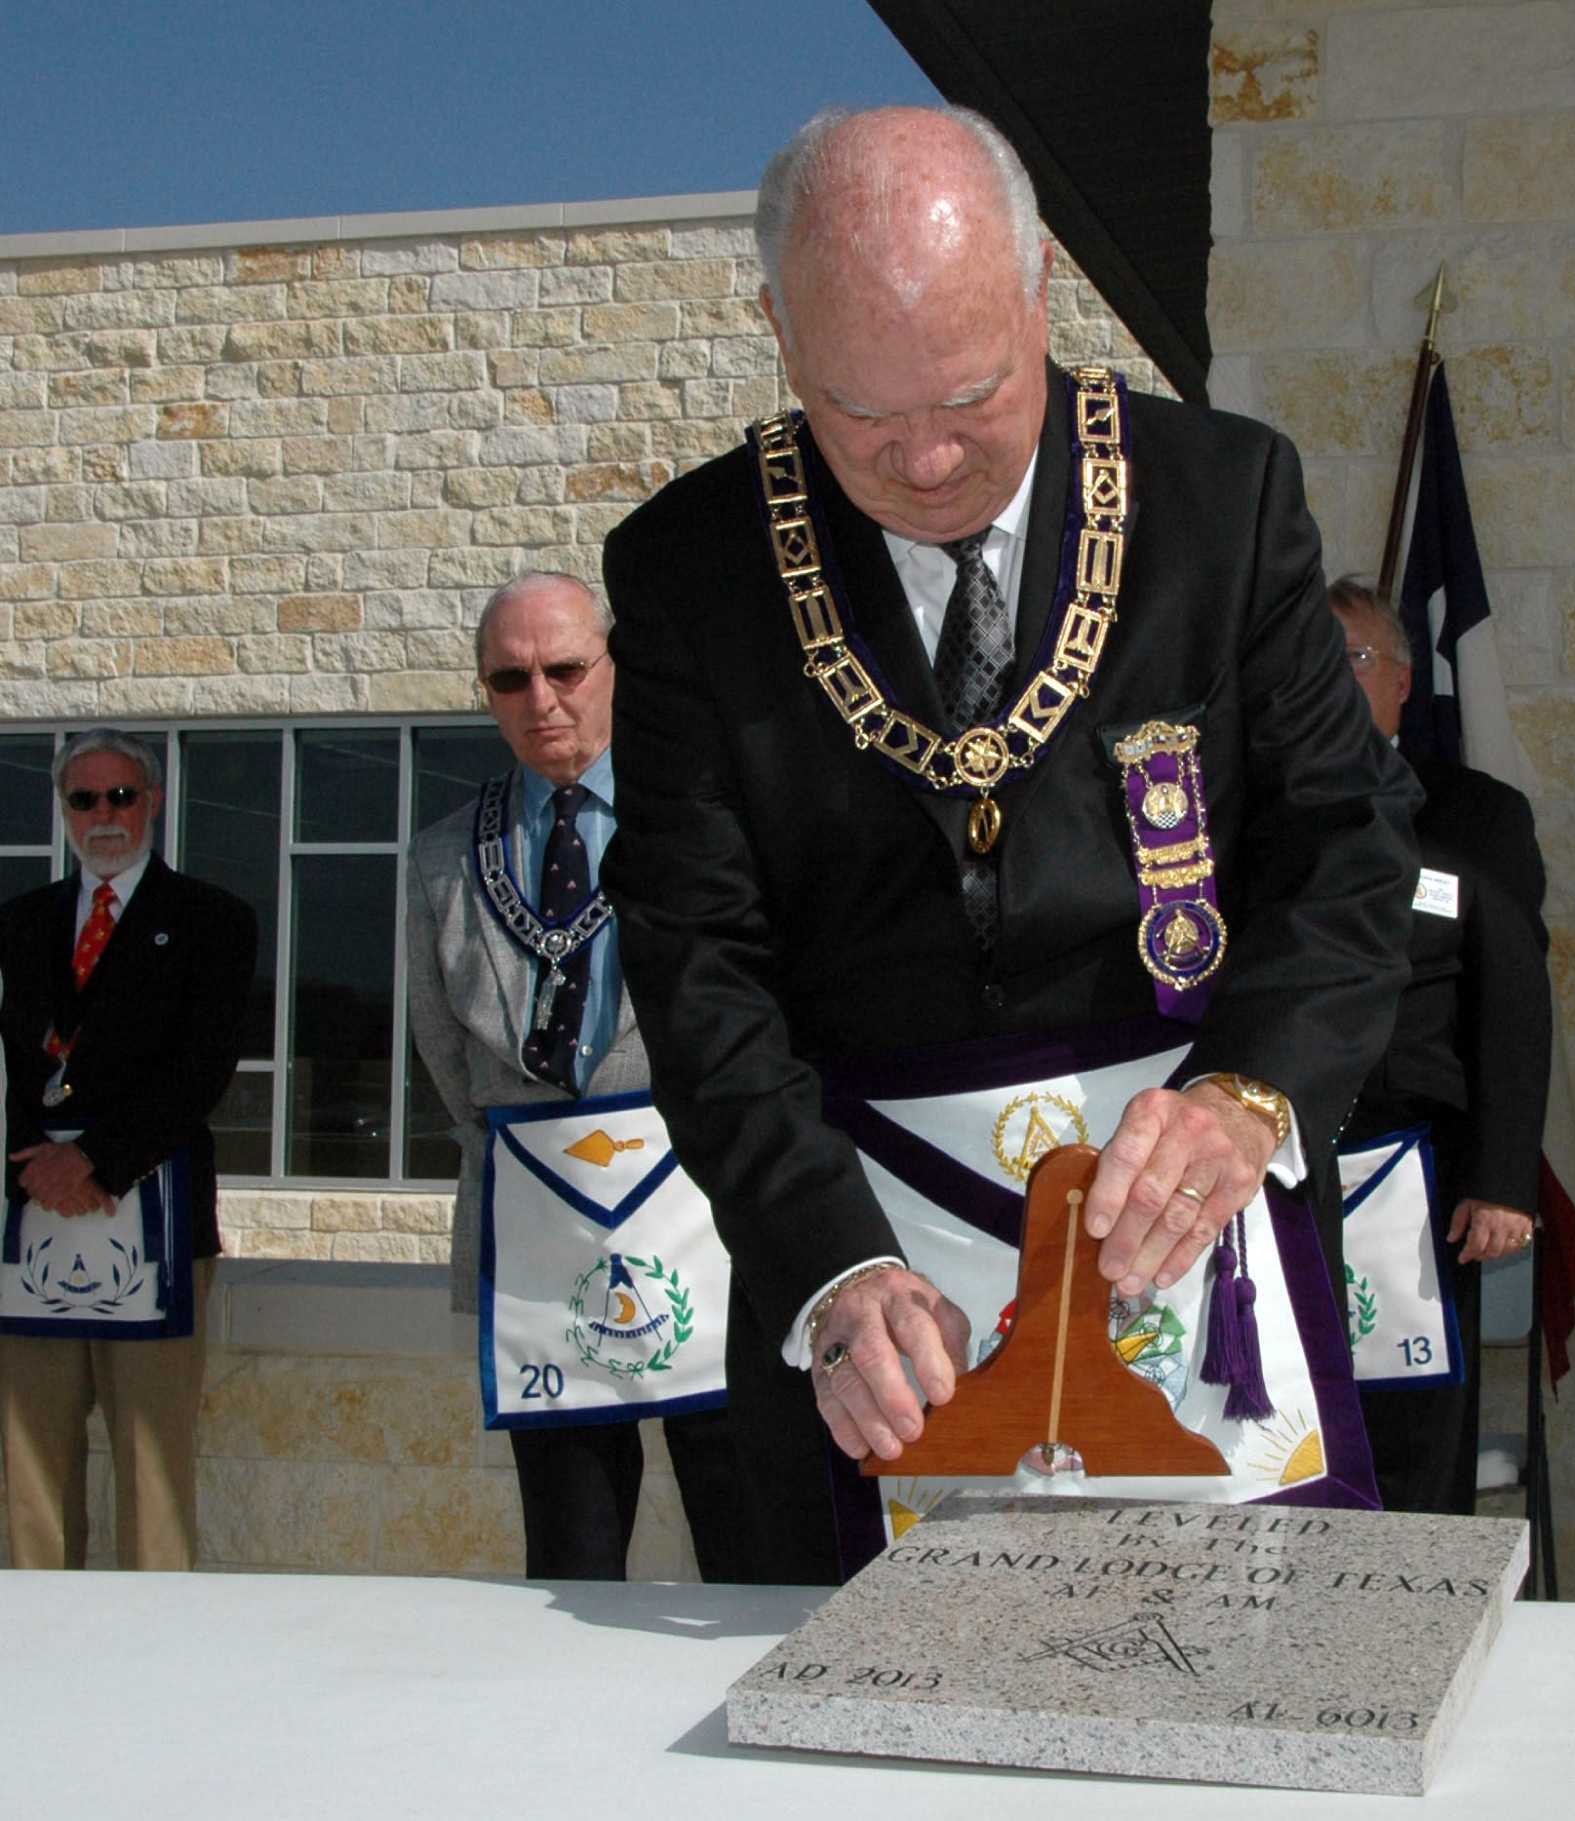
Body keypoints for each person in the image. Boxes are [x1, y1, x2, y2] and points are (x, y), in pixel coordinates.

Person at [602, 104, 1420, 1582]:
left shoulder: (1221, 502)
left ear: (1042, 287)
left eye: (974, 394)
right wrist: (825, 1263)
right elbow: (693, 955)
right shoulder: (687, 568)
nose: (925, 460)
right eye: (859, 412)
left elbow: (1347, 841)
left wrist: (1252, 1097)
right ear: (778, 334)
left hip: (1186, 1229)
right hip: (863, 1268)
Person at [406, 571, 744, 1582]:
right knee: (568, 1553)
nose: (541, 700)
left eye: (564, 669)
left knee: (743, 1528)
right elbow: (444, 1053)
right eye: (509, 680)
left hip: (707, 1227)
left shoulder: (706, 817)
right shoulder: (442, 857)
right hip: (540, 1244)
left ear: (614, 667)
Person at [0, 728, 257, 1568]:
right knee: (31, 1468)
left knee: (152, 1467)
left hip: (155, 1221)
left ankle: (156, 1642)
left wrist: (95, 1161)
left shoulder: (213, 920)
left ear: (154, 802)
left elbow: (200, 1069)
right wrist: (38, 1163)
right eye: (84, 798)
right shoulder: (20, 924)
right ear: (64, 810)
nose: (104, 814)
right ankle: (39, 1636)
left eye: (122, 795)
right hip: (35, 1223)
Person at [1328, 578, 1550, 1513]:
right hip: (1276, 1166)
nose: (1332, 676)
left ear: (1403, 681)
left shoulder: (1475, 812)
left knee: (1414, 1447)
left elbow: (1513, 996)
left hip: (1418, 1174)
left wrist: (1502, 1178)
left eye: (1354, 657)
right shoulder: (1240, 805)